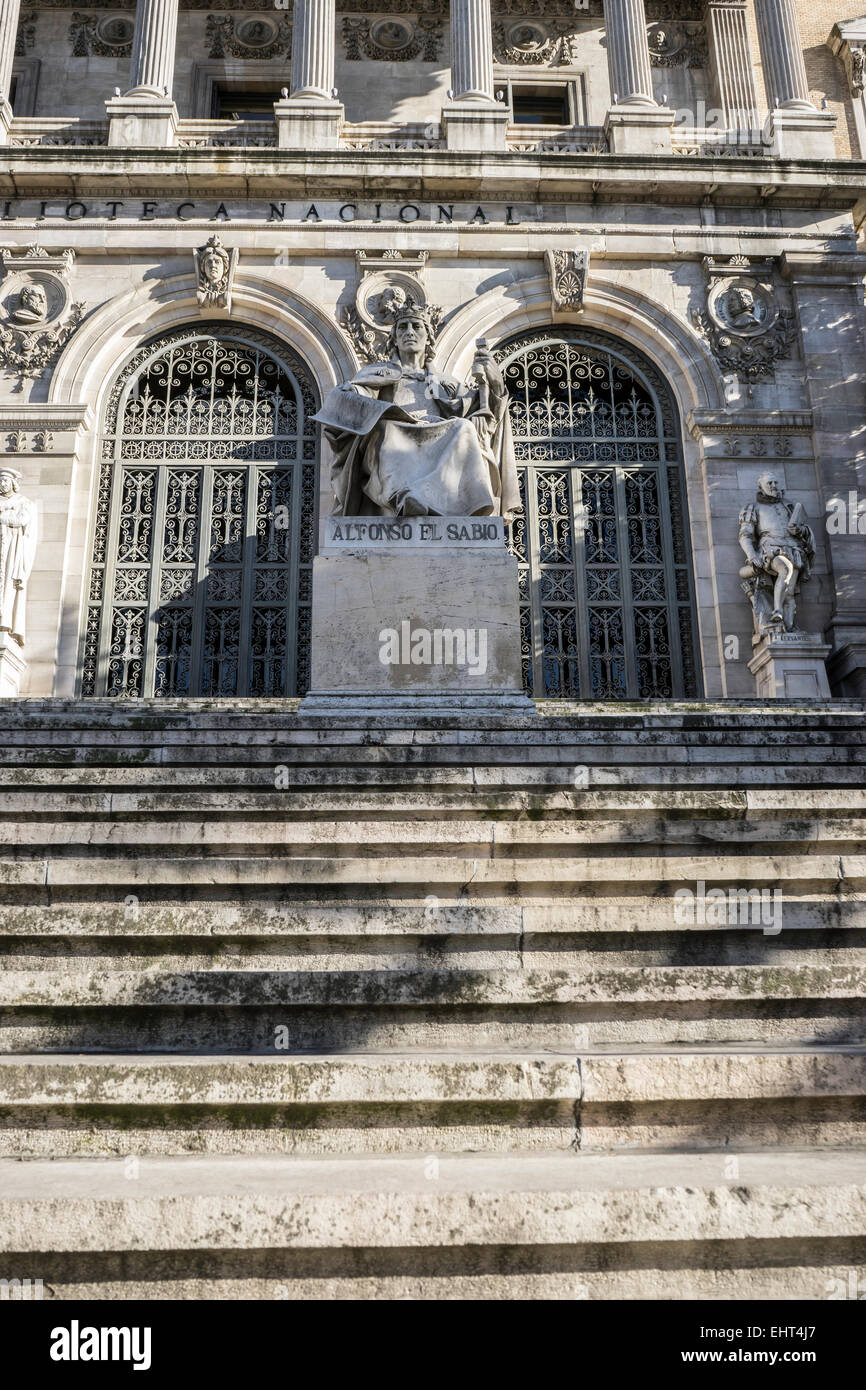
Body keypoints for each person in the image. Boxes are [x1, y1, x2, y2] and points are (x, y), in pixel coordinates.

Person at [316, 304, 520, 519]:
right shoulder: (377, 373)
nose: (409, 332)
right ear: (394, 339)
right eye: (402, 327)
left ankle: (421, 496)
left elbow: (485, 417)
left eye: (416, 326)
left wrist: (495, 383)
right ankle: (405, 497)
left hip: (438, 436)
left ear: (428, 338)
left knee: (464, 427)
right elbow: (355, 399)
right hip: (393, 435)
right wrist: (348, 392)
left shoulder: (447, 384)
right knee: (386, 428)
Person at [738, 471, 814, 631]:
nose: (773, 486)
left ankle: (787, 628)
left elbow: (805, 530)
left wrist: (800, 530)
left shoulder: (789, 506)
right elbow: (745, 535)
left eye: (775, 483)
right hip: (771, 549)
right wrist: (752, 556)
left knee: (790, 593)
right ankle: (777, 610)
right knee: (785, 568)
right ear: (761, 486)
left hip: (794, 549)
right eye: (769, 483)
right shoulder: (753, 507)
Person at [0, 467, 37, 646]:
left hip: (11, 552)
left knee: (7, 587)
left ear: (13, 483)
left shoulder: (24, 502)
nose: (2, 484)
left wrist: (4, 518)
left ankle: (4, 623)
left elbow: (21, 520)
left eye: (5, 480)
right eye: (1, 480)